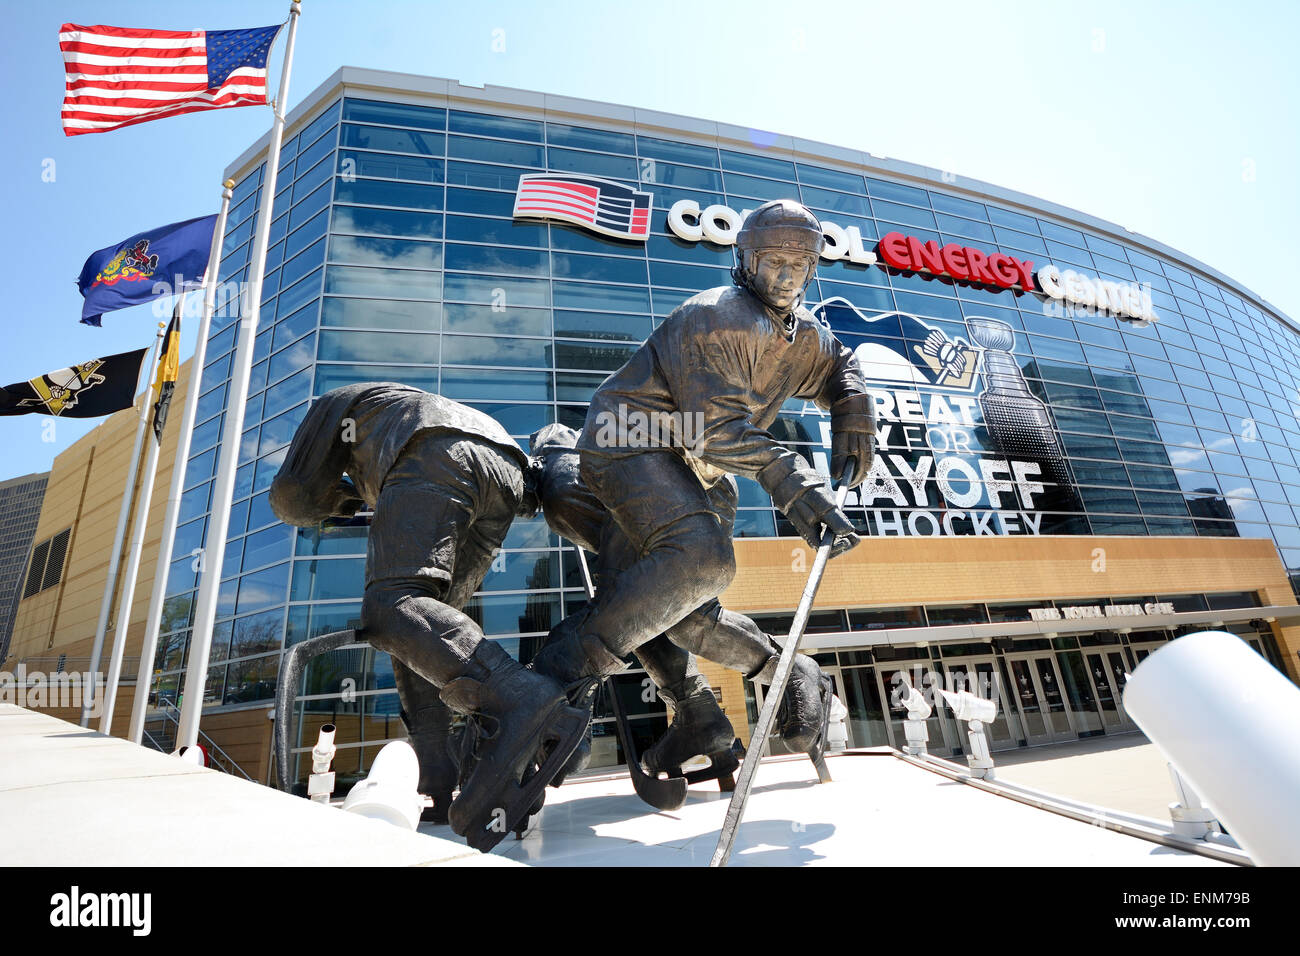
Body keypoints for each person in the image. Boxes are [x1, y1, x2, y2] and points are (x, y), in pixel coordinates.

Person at [531, 199, 876, 763]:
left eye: (800, 265)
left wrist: (853, 404)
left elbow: (840, 363)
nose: (787, 277)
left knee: (690, 617)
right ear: (745, 259)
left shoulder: (803, 335)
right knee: (702, 562)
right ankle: (554, 676)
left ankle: (789, 671)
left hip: (705, 471)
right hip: (632, 441)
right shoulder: (716, 316)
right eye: (773, 262)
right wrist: (790, 480)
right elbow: (711, 429)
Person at [268, 383, 587, 852]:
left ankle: (525, 698)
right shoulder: (395, 402)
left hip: (433, 452)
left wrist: (345, 500)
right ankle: (443, 779)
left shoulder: (336, 403)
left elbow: (292, 495)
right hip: (502, 470)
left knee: (389, 609)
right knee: (420, 634)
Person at [530, 422, 738, 781]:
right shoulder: (596, 454)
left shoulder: (569, 467)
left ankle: (566, 726)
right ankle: (700, 715)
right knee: (652, 618)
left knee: (620, 616)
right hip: (691, 503)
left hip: (662, 508)